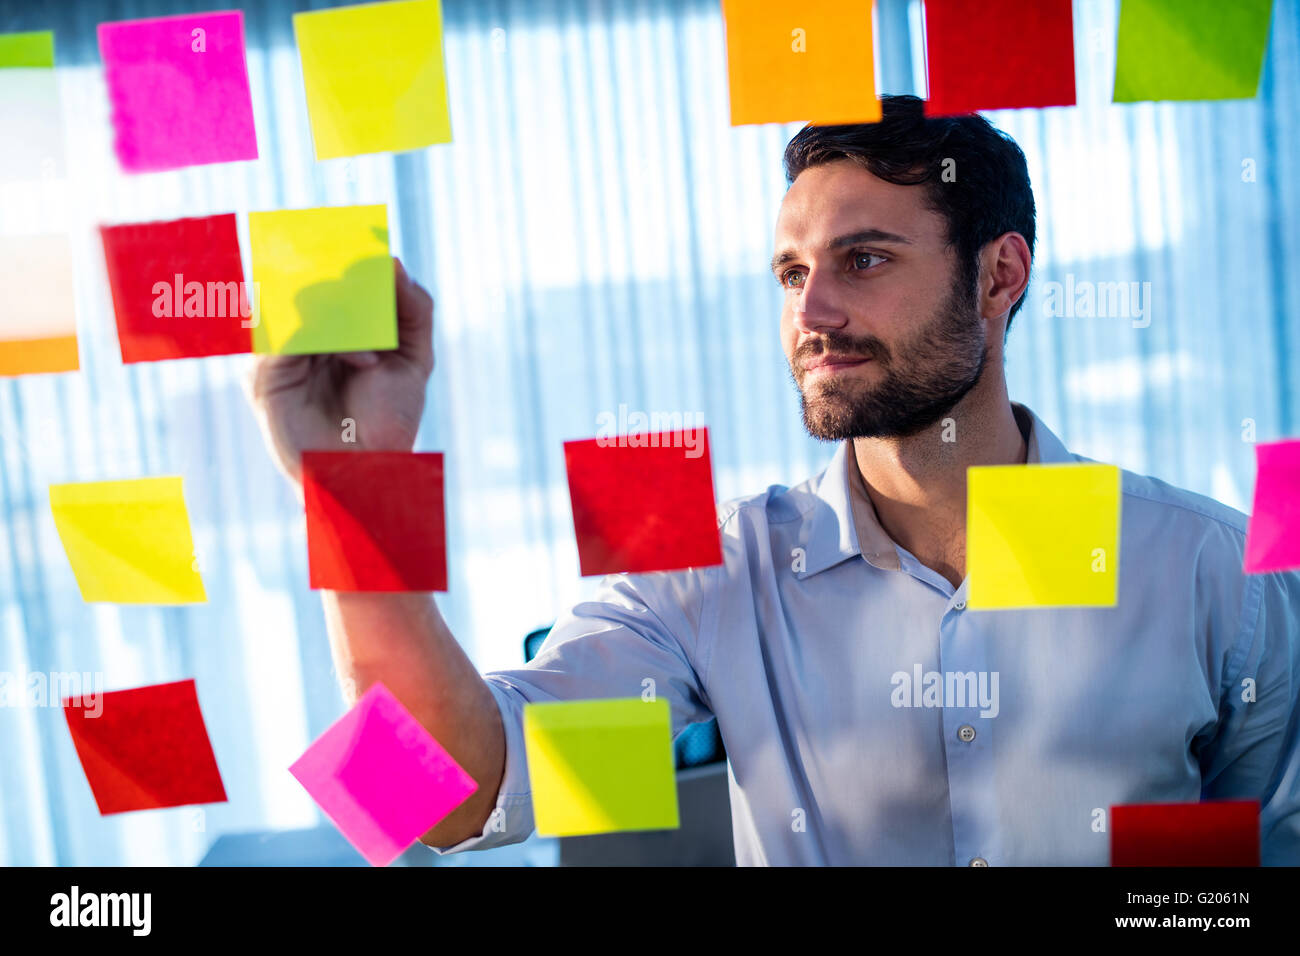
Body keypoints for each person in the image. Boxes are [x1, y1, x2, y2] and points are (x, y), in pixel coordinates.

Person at [245, 94, 1299, 865]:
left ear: (998, 276)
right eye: (793, 272)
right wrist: (350, 476)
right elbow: (429, 799)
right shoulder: (713, 569)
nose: (812, 311)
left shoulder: (1208, 567)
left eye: (865, 260)